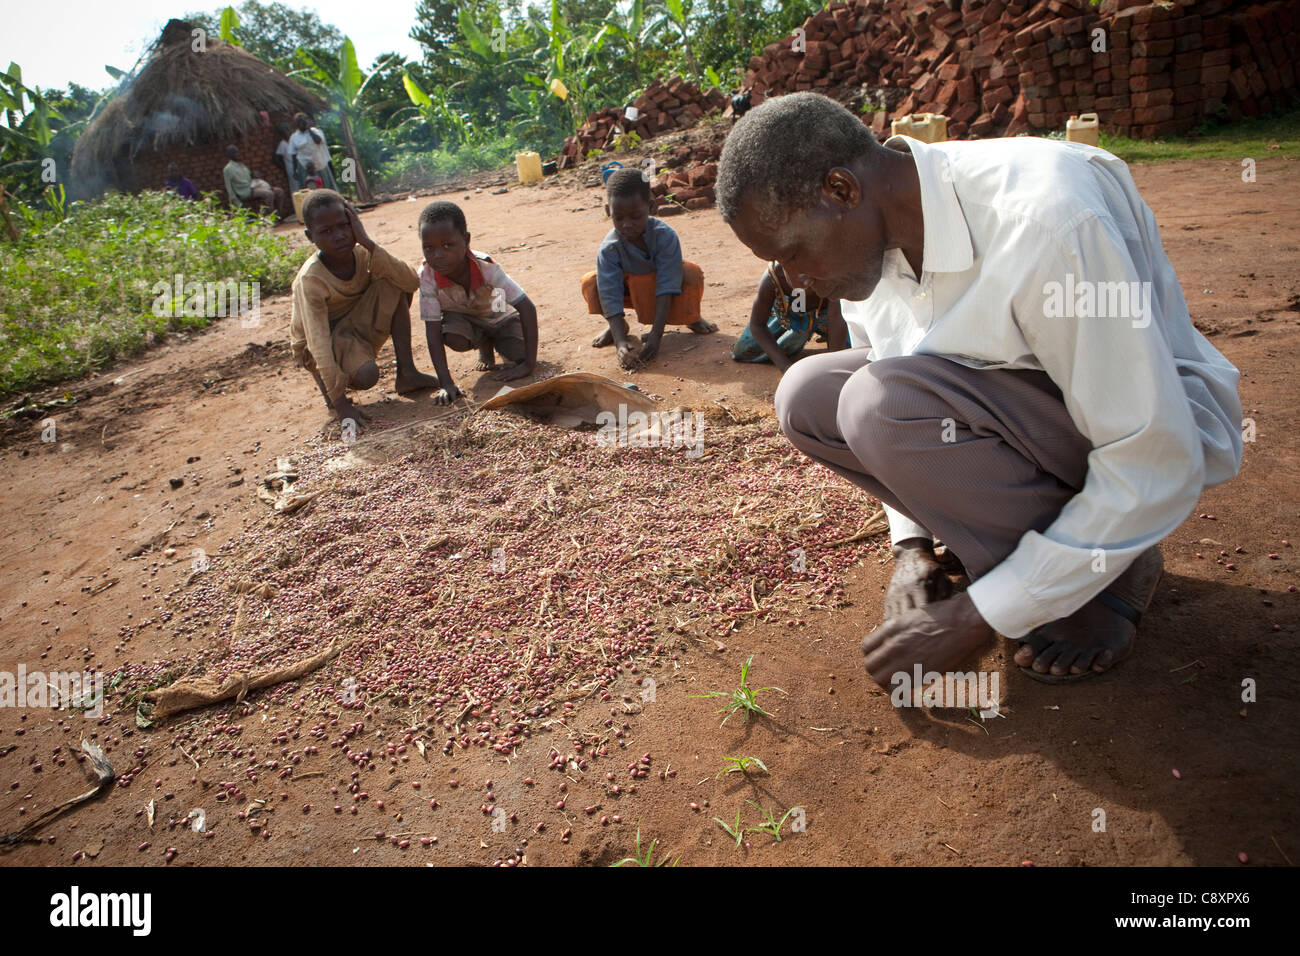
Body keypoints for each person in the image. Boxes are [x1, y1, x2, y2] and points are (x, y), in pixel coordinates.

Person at [715, 92, 1242, 686]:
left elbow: (1152, 456)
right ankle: (1047, 559)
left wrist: (978, 613)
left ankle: (1106, 570)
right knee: (806, 395)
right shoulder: (870, 242)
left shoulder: (1045, 220)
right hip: (1029, 424)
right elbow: (891, 372)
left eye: (791, 253)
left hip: (1140, 432)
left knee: (878, 404)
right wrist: (911, 547)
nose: (797, 281)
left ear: (841, 190)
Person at [289, 189, 440, 428]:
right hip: (321, 344)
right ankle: (330, 390)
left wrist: (368, 242)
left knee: (393, 281)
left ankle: (408, 373)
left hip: (353, 328)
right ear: (310, 236)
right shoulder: (311, 280)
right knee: (367, 375)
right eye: (326, 231)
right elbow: (316, 343)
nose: (338, 235)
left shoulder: (363, 254)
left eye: (343, 226)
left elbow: (410, 282)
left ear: (353, 223)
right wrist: (340, 404)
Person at [580, 168, 716, 369]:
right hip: (628, 293)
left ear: (651, 207)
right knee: (591, 282)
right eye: (619, 218)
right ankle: (617, 328)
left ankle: (690, 317)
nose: (627, 225)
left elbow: (667, 284)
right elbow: (609, 293)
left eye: (635, 217)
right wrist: (620, 343)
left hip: (660, 291)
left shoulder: (665, 236)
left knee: (690, 273)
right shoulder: (609, 248)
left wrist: (656, 335)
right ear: (609, 212)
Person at [417, 200, 539, 406]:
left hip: (500, 317)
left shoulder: (486, 268)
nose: (438, 255)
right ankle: (484, 343)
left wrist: (528, 364)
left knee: (517, 352)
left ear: (466, 240)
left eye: (447, 245)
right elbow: (432, 329)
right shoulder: (427, 277)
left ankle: (495, 340)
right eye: (429, 248)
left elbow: (527, 308)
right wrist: (446, 383)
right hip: (466, 321)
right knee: (454, 337)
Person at [733, 260, 846, 368]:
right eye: (798, 274)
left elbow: (836, 318)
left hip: (824, 316)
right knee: (744, 350)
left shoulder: (830, 274)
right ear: (785, 269)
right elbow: (757, 326)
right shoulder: (773, 277)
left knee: (854, 351)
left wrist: (834, 364)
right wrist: (785, 366)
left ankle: (824, 333)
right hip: (787, 316)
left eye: (809, 275)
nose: (805, 281)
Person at [222, 145, 282, 215]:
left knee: (279, 192)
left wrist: (254, 174)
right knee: (269, 194)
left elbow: (250, 176)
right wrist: (237, 203)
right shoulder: (228, 169)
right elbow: (229, 189)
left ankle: (278, 215)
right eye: (235, 153)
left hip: (254, 187)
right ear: (229, 155)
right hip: (246, 191)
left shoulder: (241, 165)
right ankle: (269, 217)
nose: (238, 154)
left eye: (238, 152)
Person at [289, 113, 336, 191]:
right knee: (309, 190)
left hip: (320, 164)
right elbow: (293, 155)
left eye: (303, 121)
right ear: (296, 124)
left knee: (325, 187)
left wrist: (309, 130)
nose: (301, 124)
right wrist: (295, 170)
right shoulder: (294, 137)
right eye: (299, 122)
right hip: (305, 167)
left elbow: (318, 141)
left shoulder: (316, 131)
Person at [273, 122, 297, 192]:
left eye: (288, 130)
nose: (288, 133)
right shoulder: (283, 144)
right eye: (285, 132)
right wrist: (284, 167)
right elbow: (275, 159)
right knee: (296, 187)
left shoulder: (294, 140)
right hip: (291, 168)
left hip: (300, 166)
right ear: (282, 134)